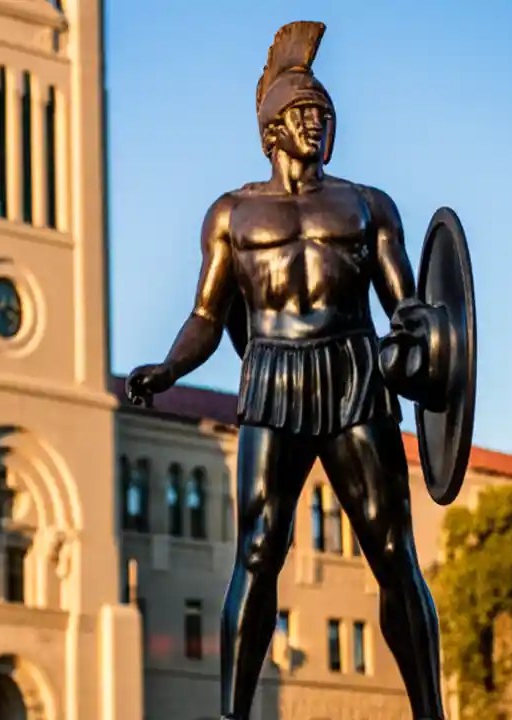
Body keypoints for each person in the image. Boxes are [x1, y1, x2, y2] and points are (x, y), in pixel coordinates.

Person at [126, 20, 446, 720]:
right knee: (260, 548)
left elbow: (408, 306)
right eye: (305, 114)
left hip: (355, 378)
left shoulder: (367, 204)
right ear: (273, 128)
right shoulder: (232, 214)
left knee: (393, 549)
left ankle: (431, 711)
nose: (319, 125)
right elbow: (207, 317)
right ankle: (233, 714)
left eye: (326, 115)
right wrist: (167, 368)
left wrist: (421, 340)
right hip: (273, 381)